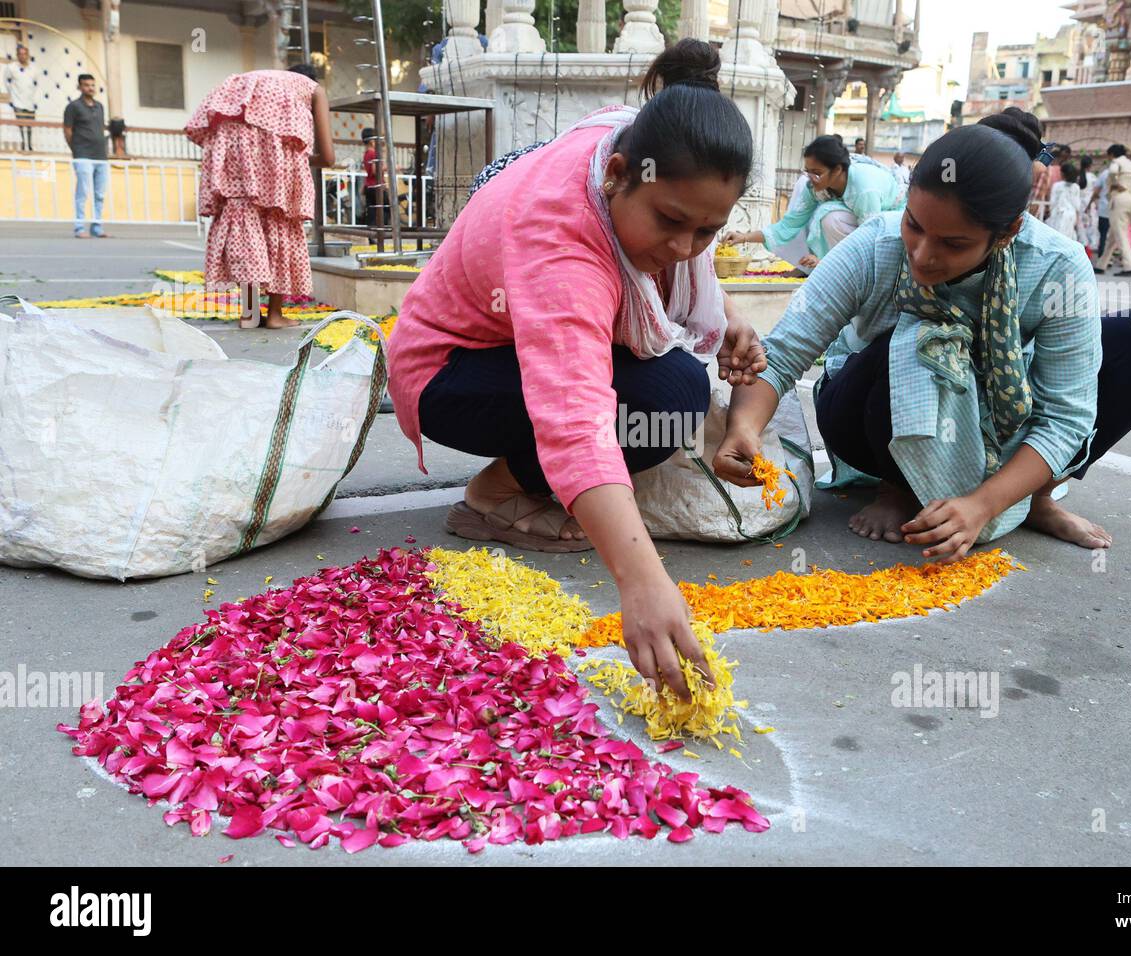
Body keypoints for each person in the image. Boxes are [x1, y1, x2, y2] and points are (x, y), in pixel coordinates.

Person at [387, 40, 767, 701]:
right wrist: (643, 582)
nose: (684, 249)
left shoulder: (627, 152)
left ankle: (529, 482)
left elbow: (685, 260)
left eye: (707, 231)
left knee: (675, 386)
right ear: (618, 173)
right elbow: (574, 417)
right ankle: (497, 494)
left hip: (502, 353)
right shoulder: (561, 240)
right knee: (662, 404)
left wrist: (728, 312)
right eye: (670, 222)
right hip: (447, 372)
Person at [713, 106, 1131, 561]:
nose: (923, 256)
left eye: (954, 244)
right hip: (865, 410)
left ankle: (1033, 497)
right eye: (915, 225)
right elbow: (786, 351)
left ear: (1008, 232)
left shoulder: (1057, 265)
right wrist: (744, 427)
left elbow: (1066, 417)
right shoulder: (877, 243)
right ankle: (897, 487)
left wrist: (984, 506)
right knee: (925, 336)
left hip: (985, 414)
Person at [185, 64, 335, 329]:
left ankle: (250, 314)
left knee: (245, 222)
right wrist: (297, 157)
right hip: (271, 152)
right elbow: (329, 158)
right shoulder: (314, 89)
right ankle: (275, 315)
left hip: (230, 140)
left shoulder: (260, 79)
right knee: (280, 219)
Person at [721, 134, 904, 271]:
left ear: (838, 169)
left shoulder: (864, 189)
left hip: (889, 229)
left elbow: (869, 240)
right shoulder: (815, 188)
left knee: (832, 218)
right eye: (807, 171)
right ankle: (837, 271)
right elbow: (789, 224)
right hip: (863, 233)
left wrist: (825, 262)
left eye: (816, 172)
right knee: (827, 214)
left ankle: (846, 273)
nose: (811, 178)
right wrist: (744, 236)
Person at [62, 74, 109, 238]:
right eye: (86, 85)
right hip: (83, 154)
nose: (90, 88)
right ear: (80, 87)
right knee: (83, 191)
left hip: (101, 156)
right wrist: (75, 149)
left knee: (100, 194)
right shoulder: (73, 107)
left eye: (92, 85)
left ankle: (97, 226)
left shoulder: (99, 106)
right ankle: (79, 227)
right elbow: (68, 130)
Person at [1094, 143, 1131, 276]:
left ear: (1112, 154)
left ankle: (1130, 266)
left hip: (1120, 199)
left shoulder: (1116, 163)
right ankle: (1101, 265)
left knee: (1120, 233)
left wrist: (1115, 183)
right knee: (1114, 234)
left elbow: (1113, 171)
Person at [3, 44, 37, 151]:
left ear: (28, 55)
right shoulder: (11, 67)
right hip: (18, 100)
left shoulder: (33, 68)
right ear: (17, 55)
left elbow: (35, 84)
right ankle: (24, 145)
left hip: (30, 101)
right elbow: (6, 81)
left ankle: (29, 146)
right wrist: (12, 94)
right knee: (21, 124)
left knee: (30, 124)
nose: (23, 56)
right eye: (20, 54)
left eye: (25, 54)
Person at [1046, 160, 1083, 241]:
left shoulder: (1057, 186)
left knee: (1056, 238)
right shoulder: (1076, 187)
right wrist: (1077, 218)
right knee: (1068, 238)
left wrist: (1050, 212)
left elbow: (1052, 202)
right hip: (1071, 216)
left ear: (1062, 174)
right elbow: (1077, 205)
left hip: (1058, 214)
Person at [361, 126, 387, 227]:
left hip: (369, 186)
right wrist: (386, 167)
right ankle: (381, 231)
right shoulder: (374, 153)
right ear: (372, 141)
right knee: (385, 209)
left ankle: (371, 236)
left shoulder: (366, 154)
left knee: (371, 211)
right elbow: (375, 170)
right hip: (376, 186)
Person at [1077, 155, 1100, 253]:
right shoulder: (1093, 177)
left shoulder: (1077, 177)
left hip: (1079, 203)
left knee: (1081, 225)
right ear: (1090, 165)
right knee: (1091, 225)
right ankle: (1091, 245)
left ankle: (1082, 243)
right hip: (1089, 204)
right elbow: (1095, 193)